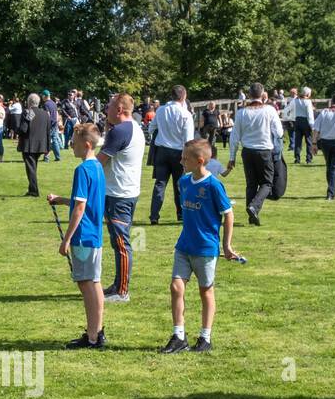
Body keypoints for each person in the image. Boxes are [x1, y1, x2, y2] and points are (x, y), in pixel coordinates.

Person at [160, 139, 240, 354]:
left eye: (185, 158)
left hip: (206, 248)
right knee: (176, 287)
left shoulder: (213, 185)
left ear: (200, 161)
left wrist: (227, 245)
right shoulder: (184, 182)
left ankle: (205, 337)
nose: (181, 161)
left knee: (206, 291)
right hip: (184, 245)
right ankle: (178, 336)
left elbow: (228, 214)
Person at [46, 123, 107, 350]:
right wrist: (61, 199)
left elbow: (80, 209)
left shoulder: (81, 171)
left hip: (83, 236)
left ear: (87, 145)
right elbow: (83, 201)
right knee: (94, 283)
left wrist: (67, 239)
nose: (71, 145)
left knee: (86, 285)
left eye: (74, 142)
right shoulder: (97, 167)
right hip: (95, 236)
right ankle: (96, 331)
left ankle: (93, 336)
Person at [97, 93, 144, 303]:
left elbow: (99, 161)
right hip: (126, 192)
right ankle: (118, 285)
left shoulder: (120, 131)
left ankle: (122, 291)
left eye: (109, 107)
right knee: (119, 243)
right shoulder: (132, 127)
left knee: (121, 243)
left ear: (119, 110)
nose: (106, 110)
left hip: (119, 194)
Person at [224, 83, 283, 225]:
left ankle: (252, 215)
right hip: (264, 151)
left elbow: (234, 137)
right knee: (267, 183)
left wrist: (232, 157)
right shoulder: (269, 110)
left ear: (249, 95)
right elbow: (279, 132)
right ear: (263, 94)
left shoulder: (242, 112)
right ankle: (254, 207)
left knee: (251, 184)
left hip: (247, 151)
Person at [148, 85, 195, 225]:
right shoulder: (185, 114)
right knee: (179, 185)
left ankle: (154, 215)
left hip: (161, 151)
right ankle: (181, 214)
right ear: (184, 96)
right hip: (178, 152)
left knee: (160, 184)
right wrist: (187, 157)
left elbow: (151, 128)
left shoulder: (161, 110)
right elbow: (188, 140)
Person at [17, 93, 49, 197]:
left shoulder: (28, 112)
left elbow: (23, 129)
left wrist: (19, 127)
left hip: (29, 145)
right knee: (33, 167)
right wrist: (48, 146)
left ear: (29, 102)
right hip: (41, 145)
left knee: (30, 168)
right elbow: (48, 131)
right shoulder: (45, 114)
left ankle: (34, 191)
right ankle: (31, 189)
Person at [291, 87, 314, 164]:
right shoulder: (308, 102)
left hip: (297, 120)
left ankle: (297, 159)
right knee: (309, 141)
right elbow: (309, 114)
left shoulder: (296, 100)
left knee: (298, 141)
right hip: (306, 121)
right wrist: (312, 125)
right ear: (307, 94)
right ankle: (309, 159)